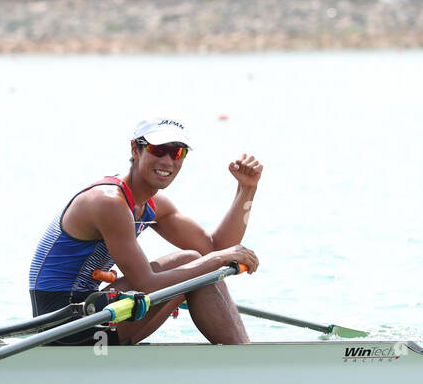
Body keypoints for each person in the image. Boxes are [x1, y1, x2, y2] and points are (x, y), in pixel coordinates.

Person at [28, 117, 261, 346]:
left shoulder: (153, 205)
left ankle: (243, 356)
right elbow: (149, 283)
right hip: (62, 322)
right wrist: (219, 258)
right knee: (194, 262)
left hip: (93, 311)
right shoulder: (108, 202)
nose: (168, 161)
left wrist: (247, 188)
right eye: (159, 150)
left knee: (199, 263)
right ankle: (247, 361)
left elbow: (216, 247)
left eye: (178, 152)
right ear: (135, 149)